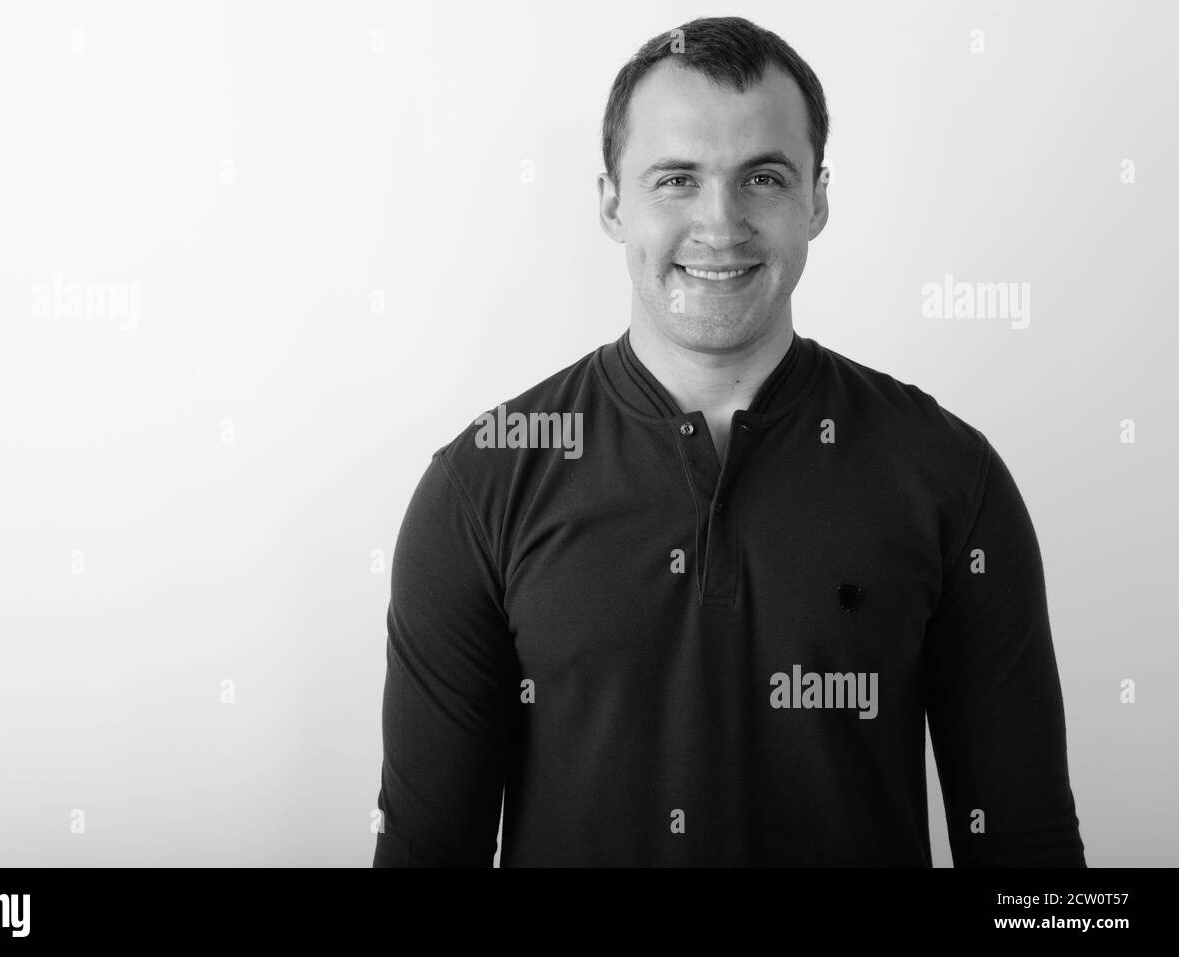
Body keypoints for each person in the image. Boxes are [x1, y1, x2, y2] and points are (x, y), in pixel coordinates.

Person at [372, 15, 1086, 867]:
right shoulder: (481, 485)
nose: (721, 223)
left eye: (765, 179)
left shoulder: (950, 479)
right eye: (677, 179)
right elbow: (424, 854)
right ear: (611, 203)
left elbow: (1033, 868)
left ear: (817, 198)